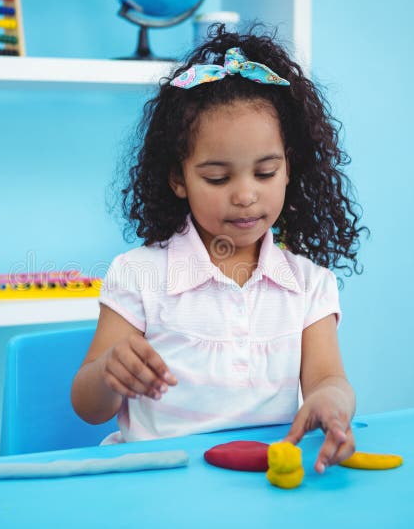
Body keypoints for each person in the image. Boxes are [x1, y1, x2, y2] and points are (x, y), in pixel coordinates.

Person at [71, 25, 367, 474]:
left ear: (289, 168)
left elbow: (328, 378)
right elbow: (89, 406)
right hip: (158, 484)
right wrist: (112, 372)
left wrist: (332, 402)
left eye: (265, 173)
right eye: (218, 178)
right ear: (178, 178)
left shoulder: (309, 285)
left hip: (265, 482)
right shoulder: (139, 274)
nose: (245, 195)